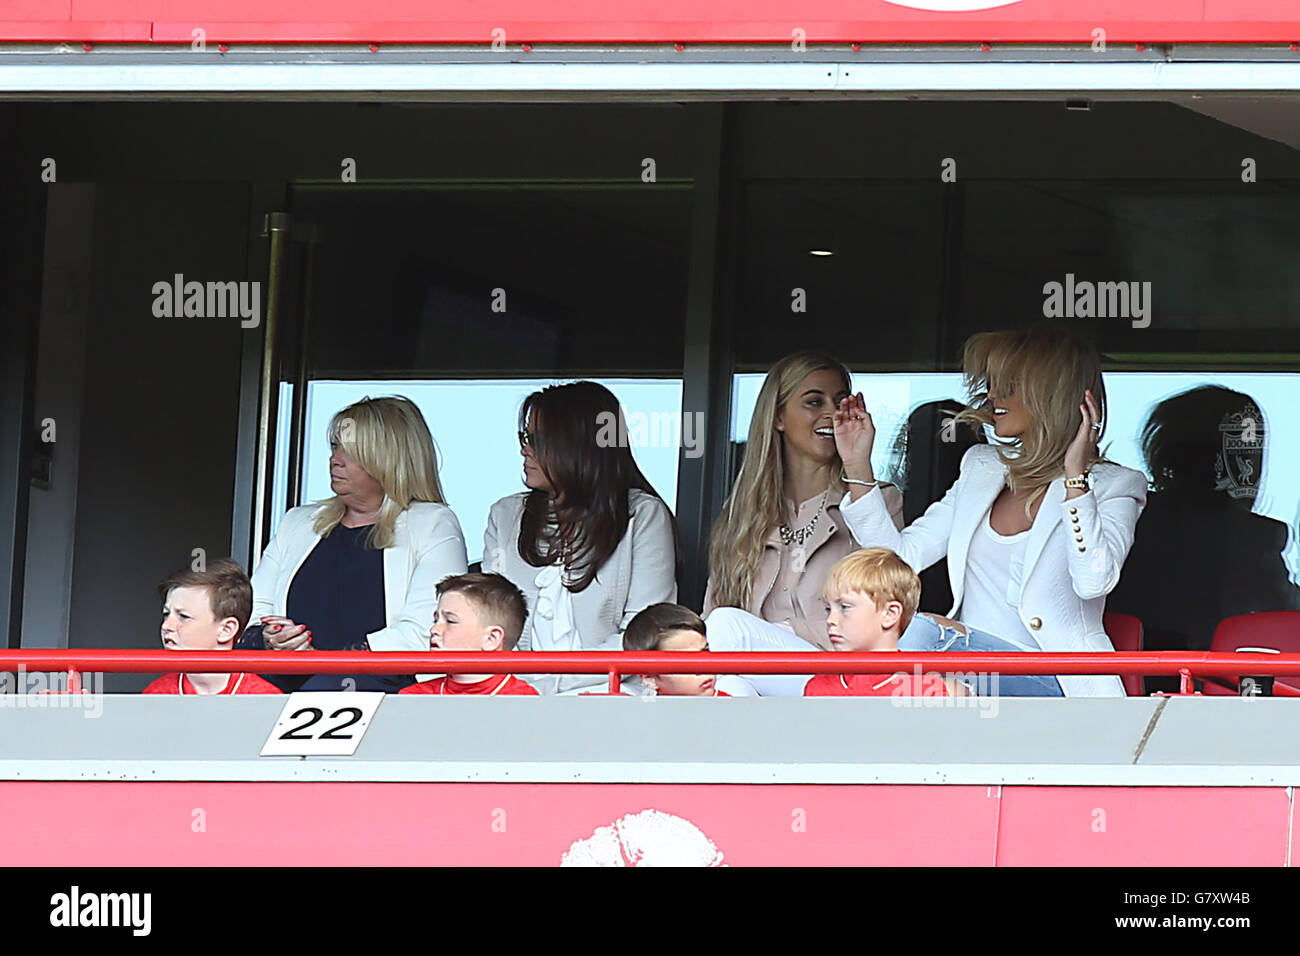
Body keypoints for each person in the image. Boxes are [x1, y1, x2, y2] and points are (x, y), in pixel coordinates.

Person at [833, 326, 1147, 697]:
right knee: (904, 635)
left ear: (1051, 395)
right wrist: (856, 466)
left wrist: (1075, 479)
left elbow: (1094, 581)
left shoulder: (1115, 484)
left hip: (1059, 683)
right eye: (992, 384)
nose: (993, 396)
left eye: (1009, 386)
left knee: (915, 633)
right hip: (971, 676)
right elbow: (900, 559)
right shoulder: (981, 467)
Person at [700, 351, 904, 695]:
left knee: (725, 628)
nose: (831, 413)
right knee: (730, 687)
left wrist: (788, 630)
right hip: (750, 678)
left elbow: (892, 612)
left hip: (842, 678)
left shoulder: (876, 502)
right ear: (778, 417)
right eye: (814, 401)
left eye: (840, 402)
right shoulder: (743, 512)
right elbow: (710, 618)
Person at [251, 396, 468, 692]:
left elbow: (423, 632)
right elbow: (250, 612)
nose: (335, 459)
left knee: (323, 687)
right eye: (335, 447)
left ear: (388, 460)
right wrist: (271, 636)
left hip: (381, 693)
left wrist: (323, 662)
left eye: (351, 451)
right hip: (280, 685)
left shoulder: (432, 524)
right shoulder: (298, 522)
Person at [484, 382, 677, 695]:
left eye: (536, 440)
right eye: (525, 438)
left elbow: (645, 634)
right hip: (517, 695)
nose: (524, 449)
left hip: (611, 693)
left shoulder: (642, 516)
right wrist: (524, 687)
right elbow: (487, 622)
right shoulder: (505, 516)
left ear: (577, 444)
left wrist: (550, 682)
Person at [805, 548, 964, 697]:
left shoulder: (927, 691)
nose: (830, 620)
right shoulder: (816, 687)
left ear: (890, 614)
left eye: (845, 607)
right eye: (828, 609)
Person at [144, 558, 281, 695]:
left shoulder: (264, 698)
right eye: (166, 614)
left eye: (184, 616)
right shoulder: (156, 694)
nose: (166, 626)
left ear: (226, 630)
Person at [400, 572, 538, 696]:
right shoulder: (414, 696)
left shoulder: (523, 700)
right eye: (435, 620)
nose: (434, 629)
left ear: (491, 638)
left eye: (450, 621)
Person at [621, 602, 754, 696]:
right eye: (687, 662)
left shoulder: (730, 708)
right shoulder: (645, 718)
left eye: (705, 652)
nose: (704, 668)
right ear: (650, 679)